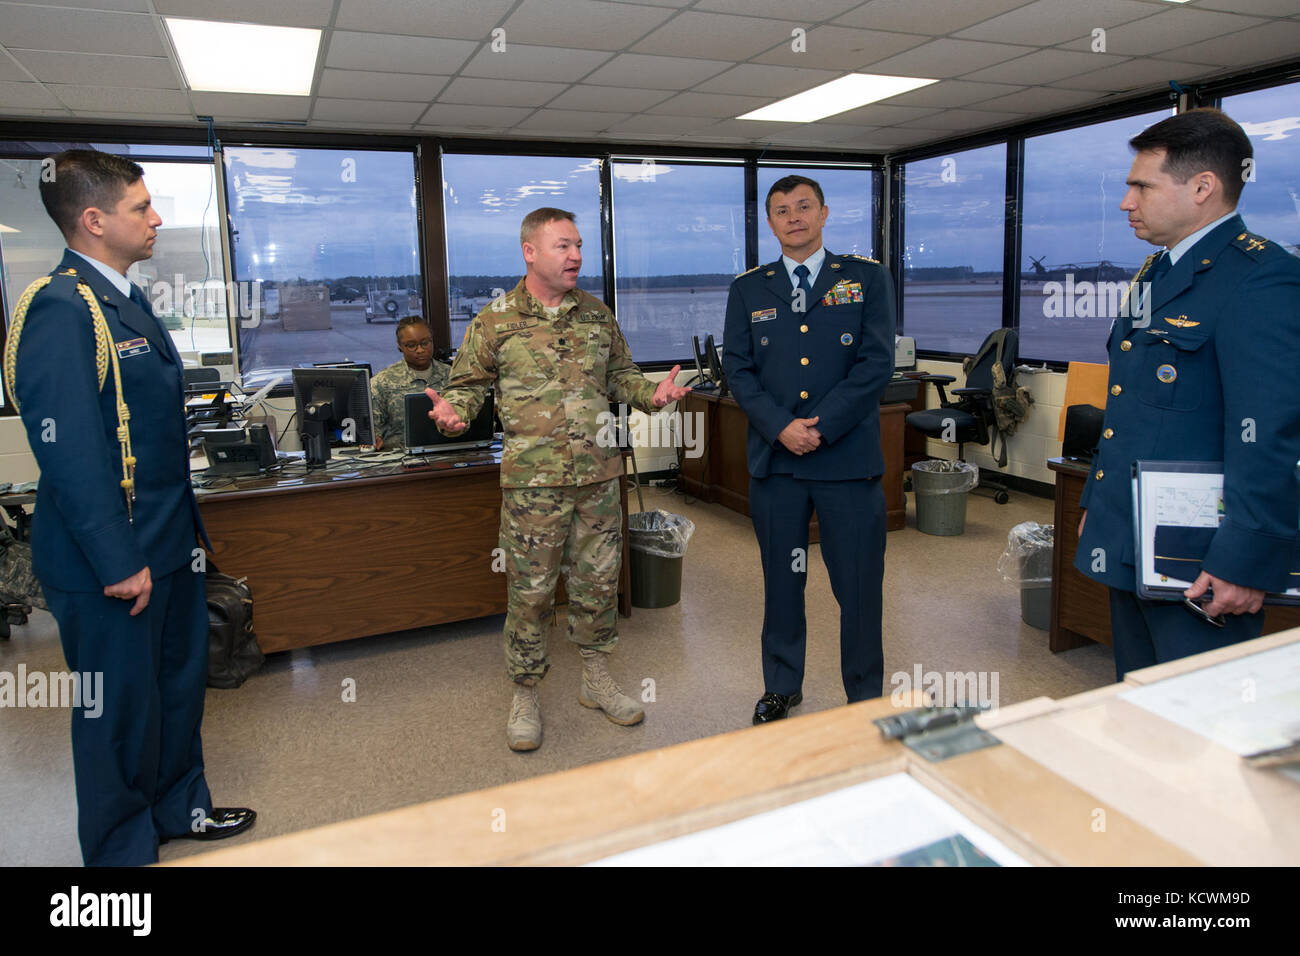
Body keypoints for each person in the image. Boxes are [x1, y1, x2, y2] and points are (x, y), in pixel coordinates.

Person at [4, 149, 255, 865]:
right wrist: (119, 561)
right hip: (111, 561)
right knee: (116, 714)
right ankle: (120, 857)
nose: (156, 218)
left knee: (178, 693)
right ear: (92, 220)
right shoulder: (60, 307)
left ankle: (182, 810)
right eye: (141, 207)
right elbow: (71, 452)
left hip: (168, 543)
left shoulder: (126, 297)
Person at [427, 207, 690, 752]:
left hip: (597, 477)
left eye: (578, 246)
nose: (575, 256)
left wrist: (652, 395)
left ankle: (595, 679)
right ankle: (526, 692)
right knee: (531, 592)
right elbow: (468, 387)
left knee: (598, 584)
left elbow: (620, 378)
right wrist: (453, 414)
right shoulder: (495, 320)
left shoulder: (596, 314)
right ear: (530, 251)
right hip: (532, 487)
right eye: (563, 246)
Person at [1076, 108, 1300, 679]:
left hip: (1203, 559)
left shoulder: (1261, 277)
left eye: (1142, 186)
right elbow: (1129, 406)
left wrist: (1244, 562)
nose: (1127, 202)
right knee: (1140, 696)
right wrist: (1095, 509)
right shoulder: (1157, 271)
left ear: (1203, 187)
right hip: (1134, 536)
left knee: (1202, 727)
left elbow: (1270, 432)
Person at [721, 175, 895, 724]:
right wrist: (781, 428)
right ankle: (781, 685)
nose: (793, 217)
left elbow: (876, 363)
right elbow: (738, 369)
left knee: (860, 585)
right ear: (770, 223)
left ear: (823, 214)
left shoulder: (866, 279)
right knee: (781, 580)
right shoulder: (749, 288)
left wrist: (821, 426)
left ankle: (864, 697)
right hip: (777, 463)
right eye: (781, 210)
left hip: (846, 459)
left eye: (803, 207)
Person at [369, 315, 451, 450]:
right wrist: (373, 438)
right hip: (400, 458)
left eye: (425, 343)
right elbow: (371, 428)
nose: (420, 350)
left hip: (449, 451)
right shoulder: (383, 381)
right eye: (411, 346)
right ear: (400, 346)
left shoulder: (453, 376)